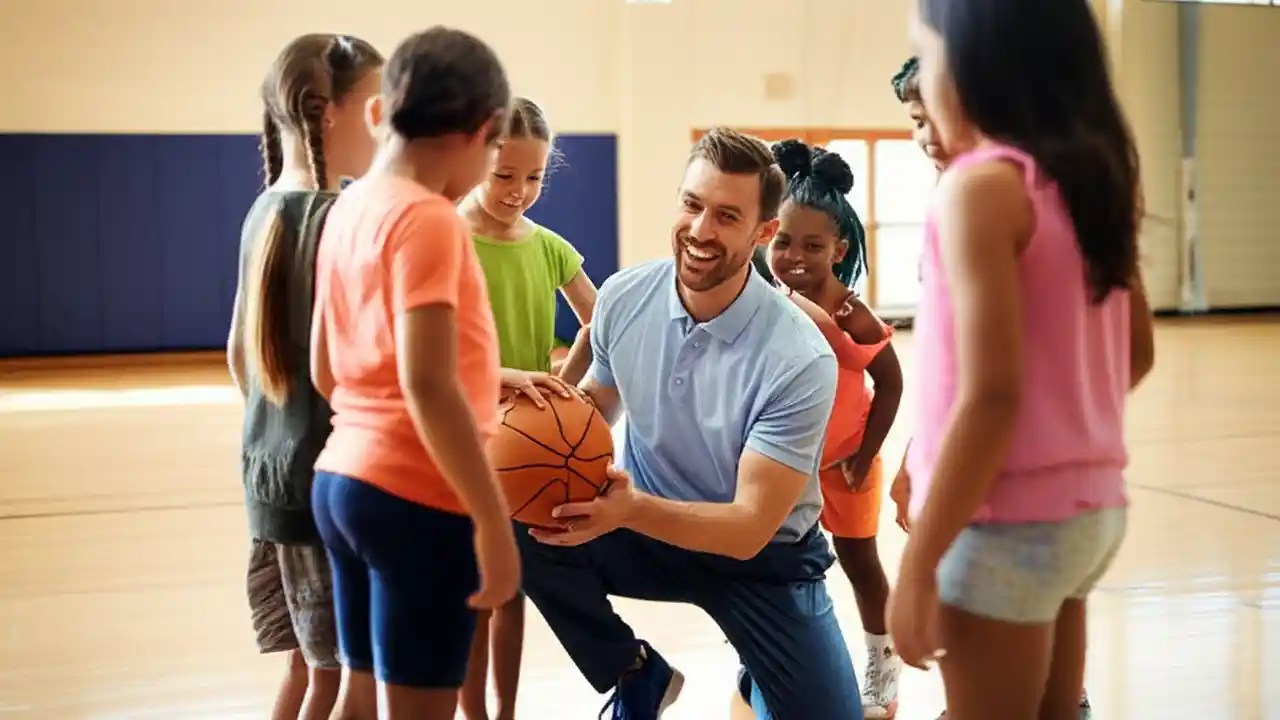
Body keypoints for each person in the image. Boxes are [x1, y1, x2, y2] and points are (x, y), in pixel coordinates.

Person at [521, 127, 864, 720]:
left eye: (727, 216)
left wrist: (627, 509)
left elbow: (748, 528)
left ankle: (760, 664)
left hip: (763, 561)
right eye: (692, 204)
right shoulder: (625, 298)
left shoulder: (799, 356)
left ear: (762, 233)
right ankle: (633, 671)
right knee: (517, 518)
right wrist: (521, 429)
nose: (702, 231)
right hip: (643, 533)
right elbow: (587, 416)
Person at [888, 2, 1156, 719]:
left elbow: (992, 396)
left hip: (1005, 521)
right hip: (1090, 513)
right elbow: (1135, 355)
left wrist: (916, 568)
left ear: (976, 63)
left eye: (929, 55)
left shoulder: (977, 189)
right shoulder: (1092, 181)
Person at [307, 27, 526, 720]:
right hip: (415, 502)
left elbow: (324, 368)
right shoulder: (430, 220)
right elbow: (428, 383)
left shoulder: (346, 207)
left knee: (361, 695)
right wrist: (491, 520)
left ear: (380, 114)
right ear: (486, 131)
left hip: (340, 482)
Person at [225, 32, 383, 720]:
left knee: (307, 671)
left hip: (268, 478)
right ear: (328, 115)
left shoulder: (263, 209)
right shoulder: (340, 218)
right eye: (376, 106)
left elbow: (238, 355)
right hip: (327, 487)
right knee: (355, 674)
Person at [457, 96, 597, 720]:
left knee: (511, 591)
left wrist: (564, 385)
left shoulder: (550, 248)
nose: (519, 190)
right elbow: (429, 355)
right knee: (473, 592)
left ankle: (505, 713)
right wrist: (503, 377)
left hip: (524, 444)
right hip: (459, 434)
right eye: (504, 175)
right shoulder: (449, 237)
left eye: (534, 177)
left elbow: (601, 319)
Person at [767, 139, 905, 719]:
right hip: (786, 464)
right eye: (783, 241)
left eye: (813, 245)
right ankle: (764, 657)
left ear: (838, 248)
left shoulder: (851, 313)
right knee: (772, 564)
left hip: (847, 461)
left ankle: (883, 663)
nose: (795, 255)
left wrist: (862, 455)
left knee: (860, 565)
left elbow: (892, 384)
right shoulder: (766, 299)